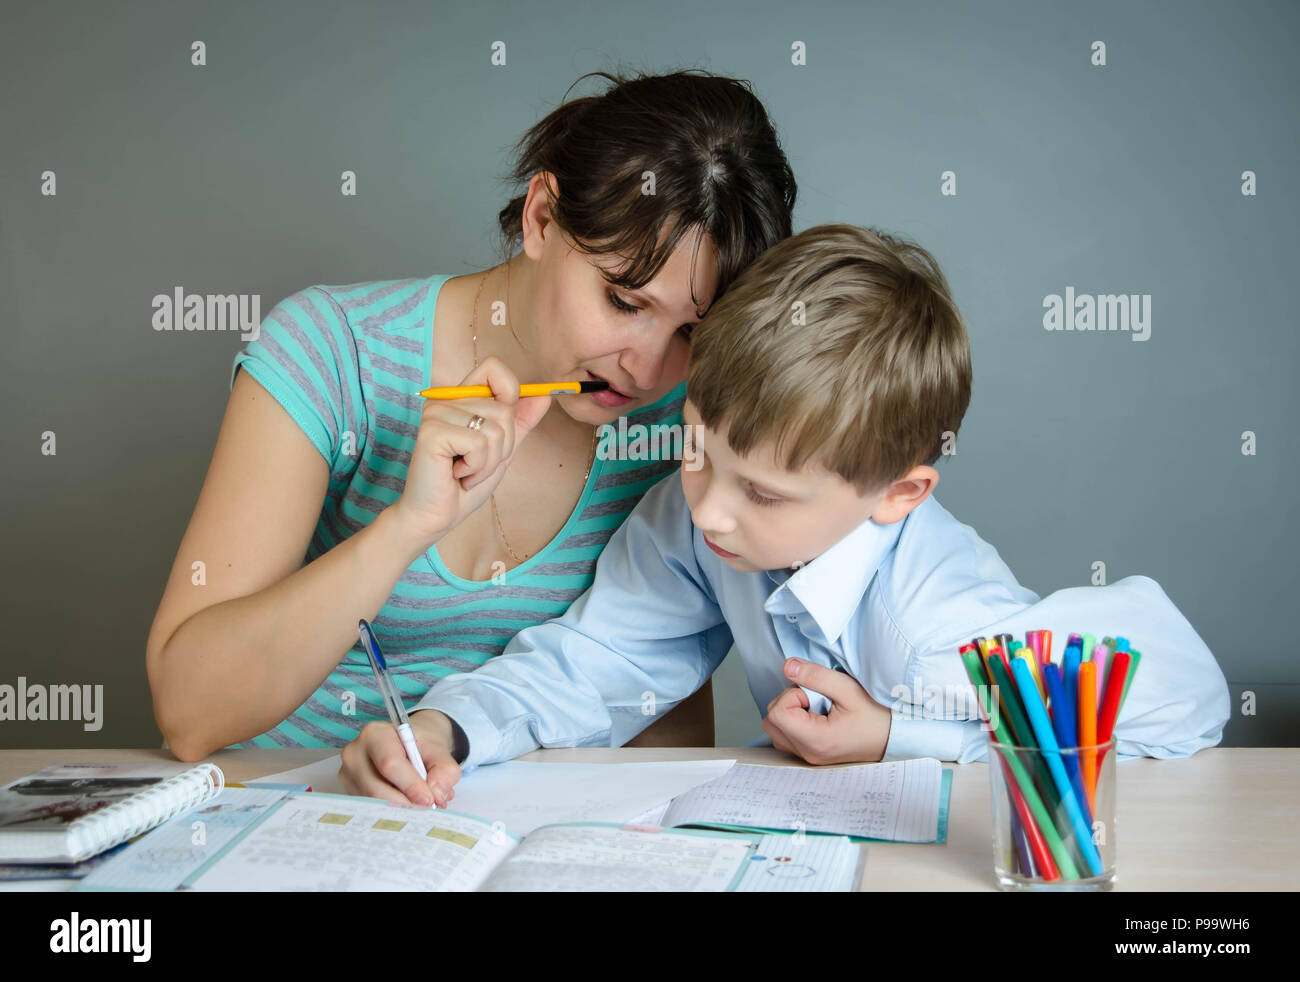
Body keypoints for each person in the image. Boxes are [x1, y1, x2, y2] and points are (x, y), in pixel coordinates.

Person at [347, 223, 1230, 806]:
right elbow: (595, 658)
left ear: (899, 495)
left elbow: (1188, 698)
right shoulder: (693, 519)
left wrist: (897, 736)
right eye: (696, 449)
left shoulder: (930, 622)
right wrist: (447, 725)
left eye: (763, 493)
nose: (712, 512)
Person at [146, 69, 798, 771]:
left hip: (526, 835)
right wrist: (407, 527)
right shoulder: (334, 350)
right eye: (624, 302)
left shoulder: (695, 424)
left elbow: (655, 688)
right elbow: (189, 712)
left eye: (689, 335)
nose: (644, 369)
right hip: (297, 812)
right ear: (542, 218)